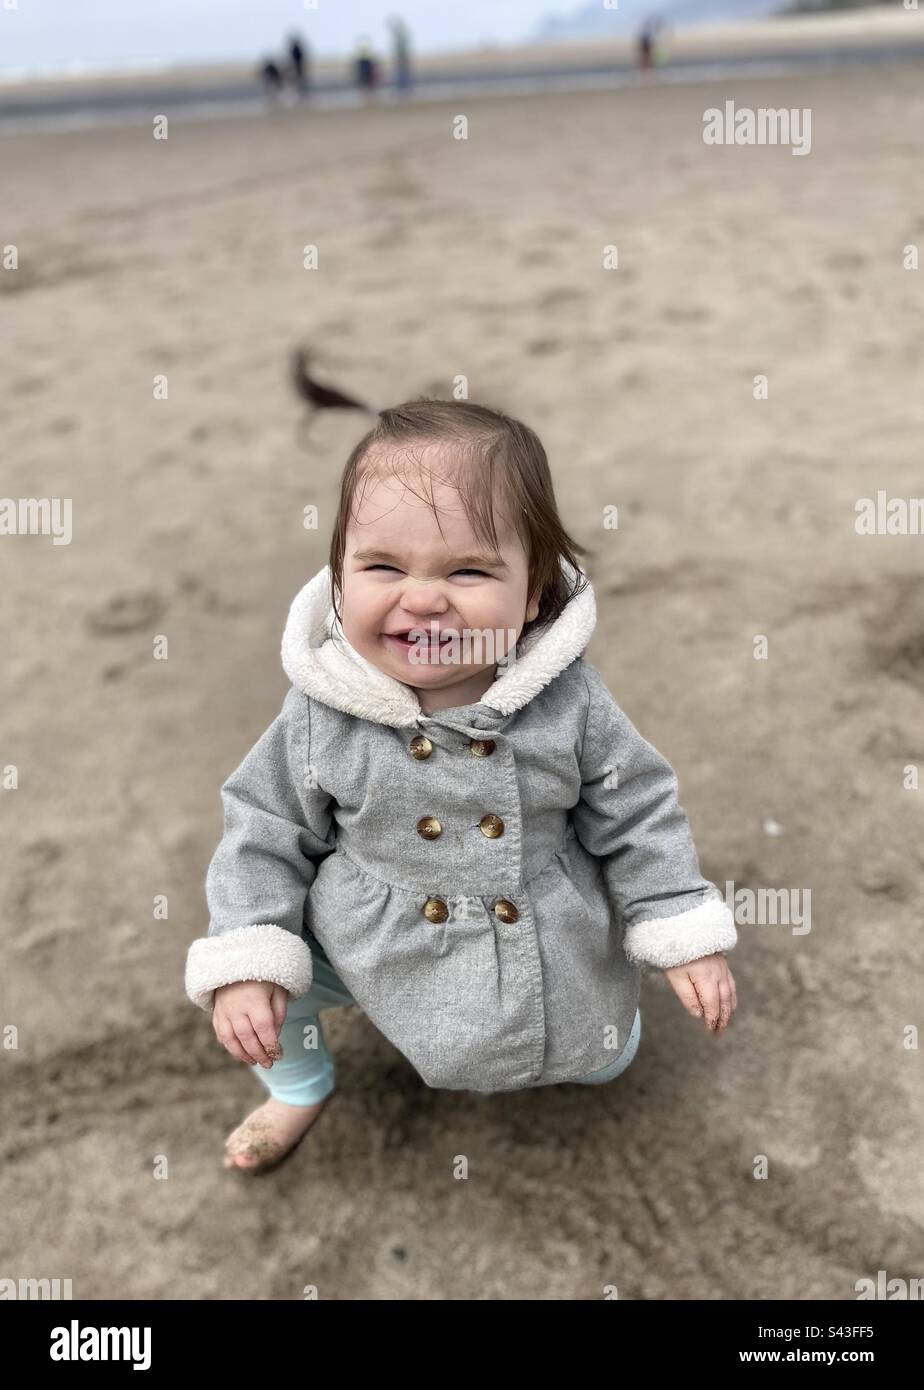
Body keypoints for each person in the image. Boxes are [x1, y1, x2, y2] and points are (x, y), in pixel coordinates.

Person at [185, 400, 739, 1172]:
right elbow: (264, 829)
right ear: (340, 577)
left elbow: (636, 811)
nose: (421, 597)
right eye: (382, 566)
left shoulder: (567, 702)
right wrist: (249, 954)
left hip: (540, 916)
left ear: (536, 593)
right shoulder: (322, 714)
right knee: (272, 991)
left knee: (604, 1050)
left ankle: (586, 1034)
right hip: (370, 929)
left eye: (469, 571)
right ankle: (299, 1088)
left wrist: (676, 922)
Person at [387, 15, 413, 95]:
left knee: (403, 74)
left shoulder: (402, 34)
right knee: (401, 74)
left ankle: (405, 90)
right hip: (401, 57)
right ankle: (403, 90)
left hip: (402, 57)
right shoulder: (401, 34)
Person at [287, 32, 310, 98]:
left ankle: (301, 94)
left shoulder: (295, 49)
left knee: (299, 80)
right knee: (298, 80)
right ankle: (301, 93)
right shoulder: (296, 48)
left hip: (297, 67)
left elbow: (297, 58)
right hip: (297, 67)